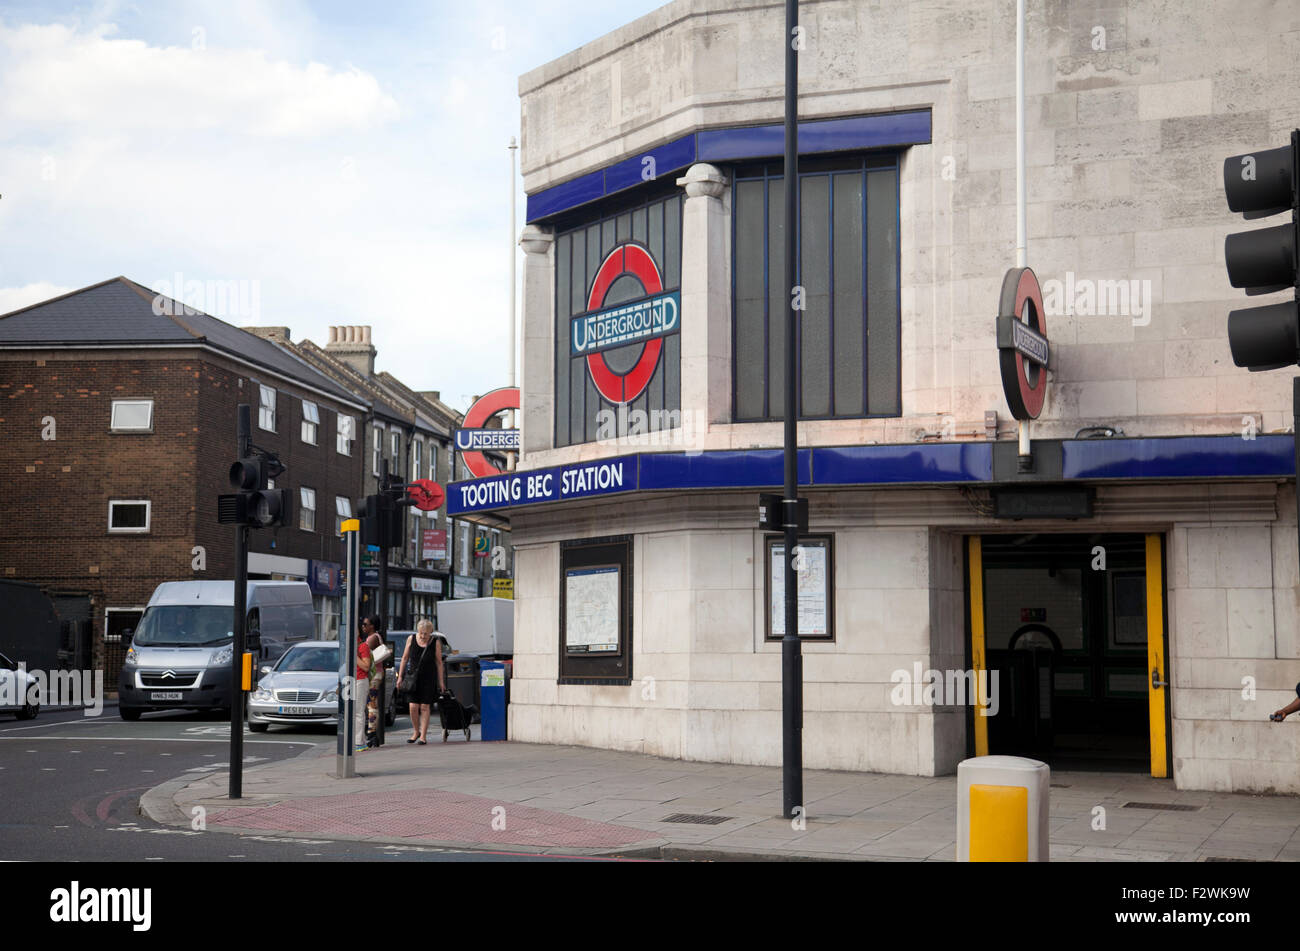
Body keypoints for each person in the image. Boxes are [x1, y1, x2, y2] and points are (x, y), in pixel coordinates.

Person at [397, 619, 446, 744]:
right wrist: (400, 677)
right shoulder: (411, 639)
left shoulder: (435, 642)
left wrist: (441, 682)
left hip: (429, 678)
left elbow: (439, 663)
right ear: (417, 631)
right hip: (413, 678)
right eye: (421, 633)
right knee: (413, 706)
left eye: (426, 633)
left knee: (425, 706)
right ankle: (415, 731)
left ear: (431, 632)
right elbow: (404, 658)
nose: (423, 636)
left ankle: (423, 736)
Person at [353, 631, 373, 752]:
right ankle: (360, 741)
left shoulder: (362, 646)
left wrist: (354, 657)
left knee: (358, 711)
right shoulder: (349, 646)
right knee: (354, 712)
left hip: (360, 681)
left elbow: (366, 666)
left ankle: (359, 742)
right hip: (351, 680)